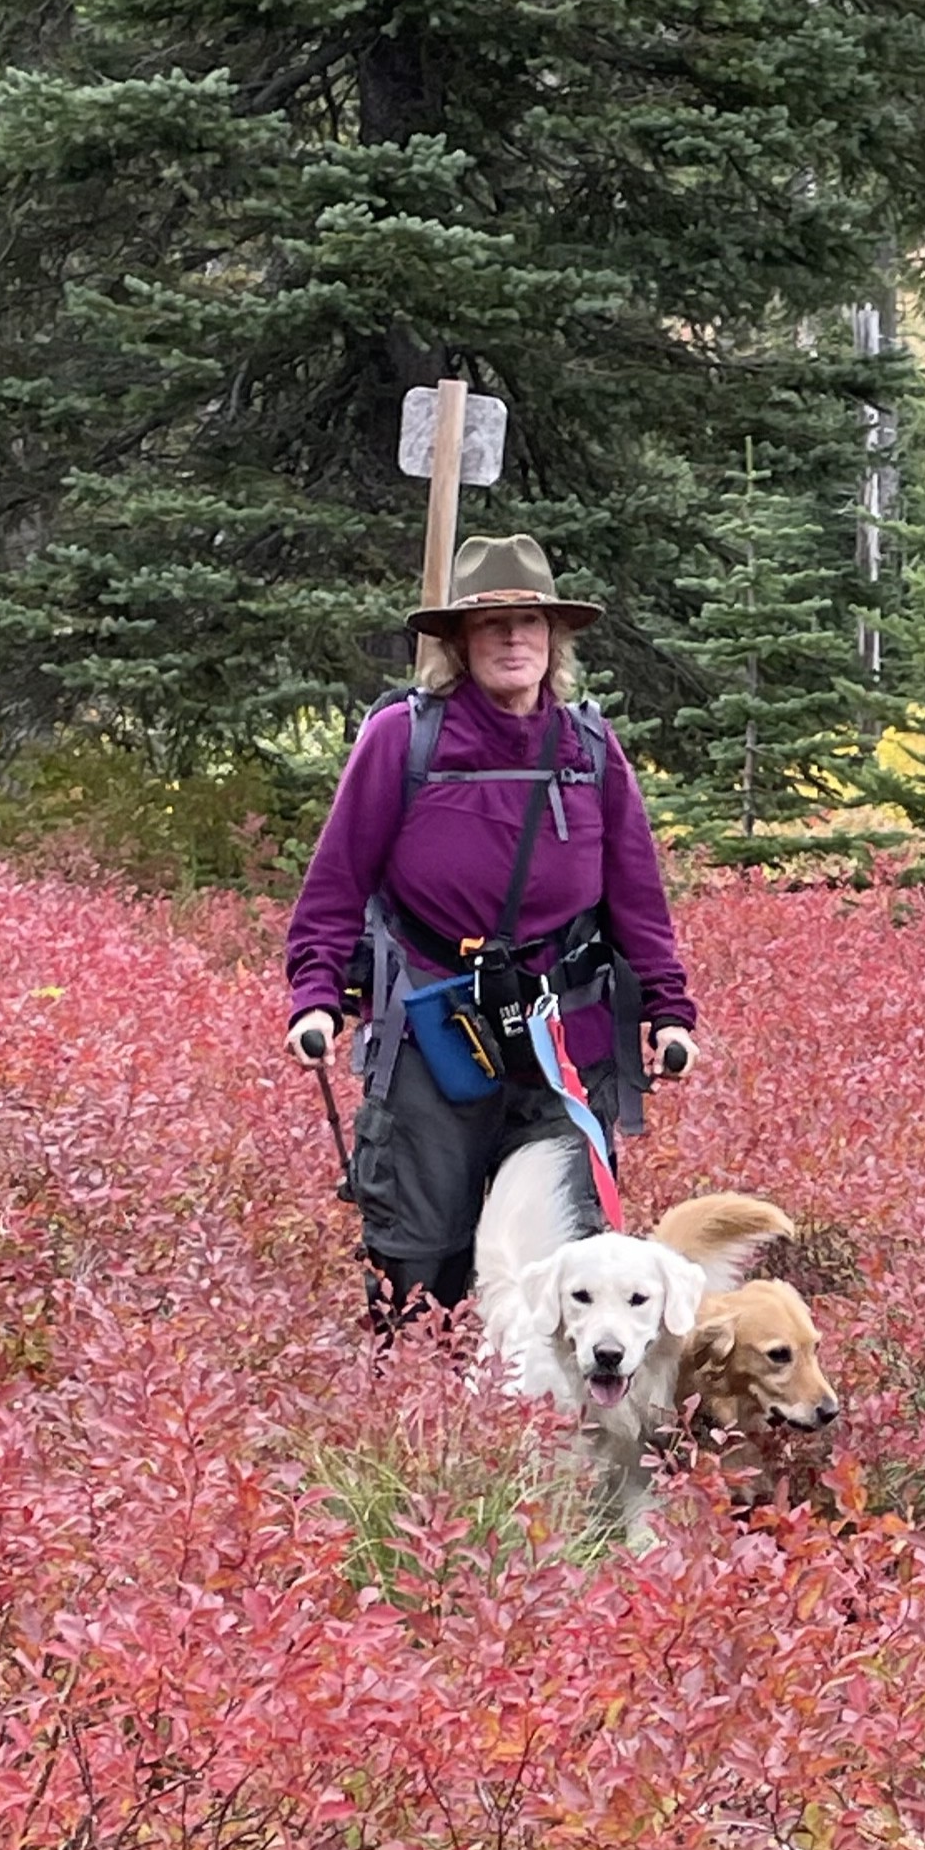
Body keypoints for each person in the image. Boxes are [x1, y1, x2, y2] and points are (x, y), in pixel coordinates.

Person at [284, 533, 698, 1324]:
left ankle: (543, 1438)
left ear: (555, 639)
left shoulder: (590, 747)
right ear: (459, 644)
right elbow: (335, 885)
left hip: (562, 1039)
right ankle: (422, 1427)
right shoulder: (404, 740)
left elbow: (638, 898)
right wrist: (315, 997)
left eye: (531, 623)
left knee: (563, 1270)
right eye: (493, 624)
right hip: (432, 1032)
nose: (514, 638)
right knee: (420, 1261)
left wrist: (670, 1014)